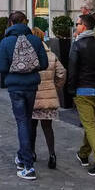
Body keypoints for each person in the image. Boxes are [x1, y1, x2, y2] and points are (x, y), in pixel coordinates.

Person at [0, 10, 48, 180]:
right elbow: (44, 63)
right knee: (27, 120)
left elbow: (2, 67)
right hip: (32, 86)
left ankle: (28, 165)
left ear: (11, 23)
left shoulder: (5, 42)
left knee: (22, 122)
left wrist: (16, 68)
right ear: (25, 22)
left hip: (15, 87)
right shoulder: (35, 39)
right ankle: (23, 155)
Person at [67, 13, 95, 177]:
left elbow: (72, 70)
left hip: (82, 90)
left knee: (90, 126)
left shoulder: (77, 46)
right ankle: (83, 154)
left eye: (77, 24)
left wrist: (71, 90)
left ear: (83, 26)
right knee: (90, 124)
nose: (76, 26)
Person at [30, 38, 68, 170]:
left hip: (34, 97)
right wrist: (55, 87)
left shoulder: (31, 56)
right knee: (48, 128)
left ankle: (32, 153)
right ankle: (52, 154)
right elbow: (61, 73)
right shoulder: (51, 55)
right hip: (48, 98)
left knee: (32, 126)